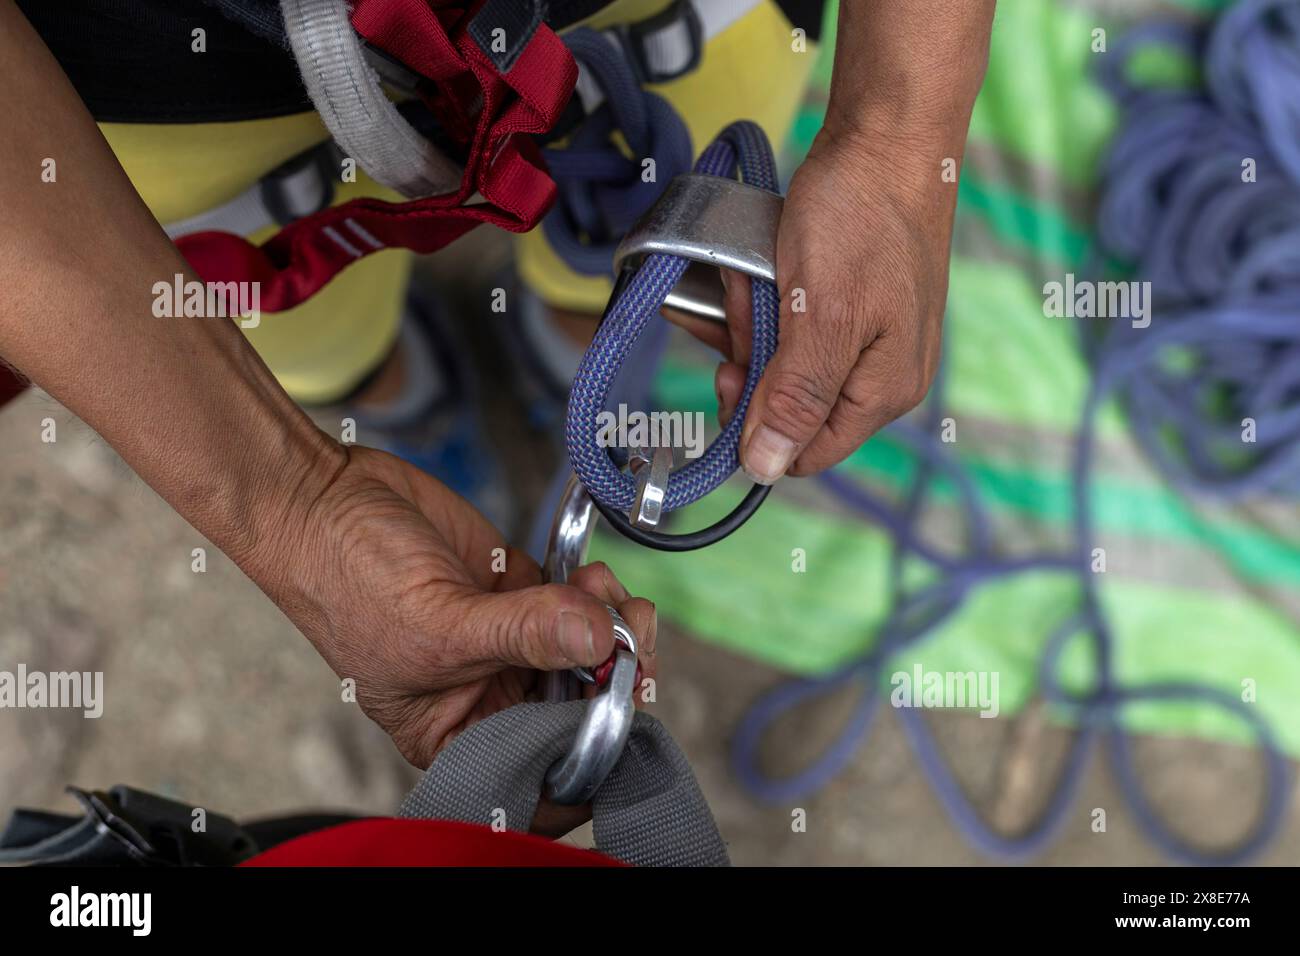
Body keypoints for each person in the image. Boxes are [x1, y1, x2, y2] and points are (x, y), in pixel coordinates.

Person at [0, 0, 995, 829]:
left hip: (670, 24)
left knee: (634, 271)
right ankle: (405, 398)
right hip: (170, 116)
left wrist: (898, 134)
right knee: (311, 333)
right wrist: (289, 495)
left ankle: (572, 363)